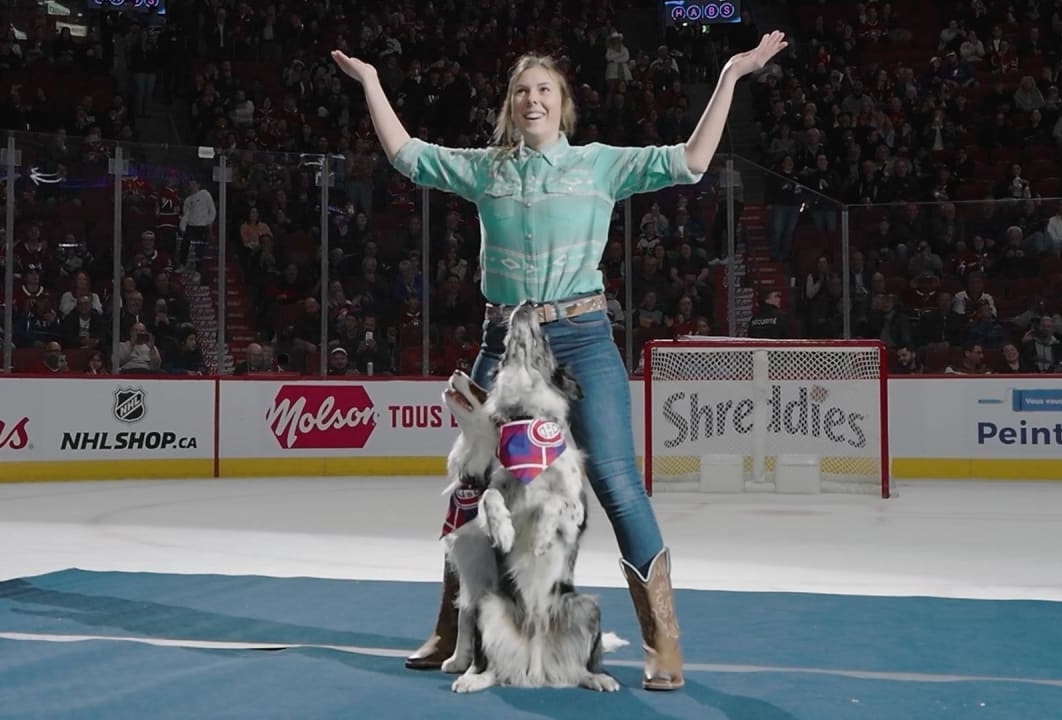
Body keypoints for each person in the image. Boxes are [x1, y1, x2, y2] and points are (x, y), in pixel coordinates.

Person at [331, 29, 789, 692]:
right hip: (504, 343)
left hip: (582, 339)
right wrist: (372, 82)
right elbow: (408, 157)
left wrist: (731, 74)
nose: (532, 98)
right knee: (472, 491)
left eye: (544, 89)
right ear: (510, 105)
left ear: (563, 103)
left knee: (616, 482)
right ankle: (451, 628)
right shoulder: (488, 167)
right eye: (521, 90)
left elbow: (690, 161)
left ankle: (663, 641)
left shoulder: (599, 164)